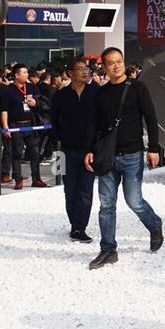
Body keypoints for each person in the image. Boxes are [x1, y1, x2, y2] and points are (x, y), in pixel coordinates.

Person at [85, 47, 164, 268]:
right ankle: (108, 249)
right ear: (104, 66)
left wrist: (154, 147)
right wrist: (90, 150)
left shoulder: (138, 88)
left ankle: (155, 224)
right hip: (107, 157)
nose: (117, 65)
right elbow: (95, 124)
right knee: (106, 205)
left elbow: (151, 117)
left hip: (132, 154)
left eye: (119, 61)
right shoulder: (100, 93)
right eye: (111, 62)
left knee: (134, 201)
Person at [50, 59, 99, 243]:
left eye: (86, 69)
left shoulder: (96, 93)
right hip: (65, 151)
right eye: (80, 69)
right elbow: (54, 120)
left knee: (85, 190)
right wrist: (60, 136)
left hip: (89, 151)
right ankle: (74, 224)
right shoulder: (61, 96)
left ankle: (80, 227)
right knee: (69, 190)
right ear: (70, 73)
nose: (84, 72)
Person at [1, 65, 47, 189]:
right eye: (24, 72)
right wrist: (5, 127)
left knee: (34, 153)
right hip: (15, 125)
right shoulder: (8, 90)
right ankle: (18, 179)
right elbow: (4, 110)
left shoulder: (31, 87)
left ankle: (36, 178)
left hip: (31, 124)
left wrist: (36, 103)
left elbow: (42, 101)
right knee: (17, 152)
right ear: (16, 75)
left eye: (27, 72)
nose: (27, 74)